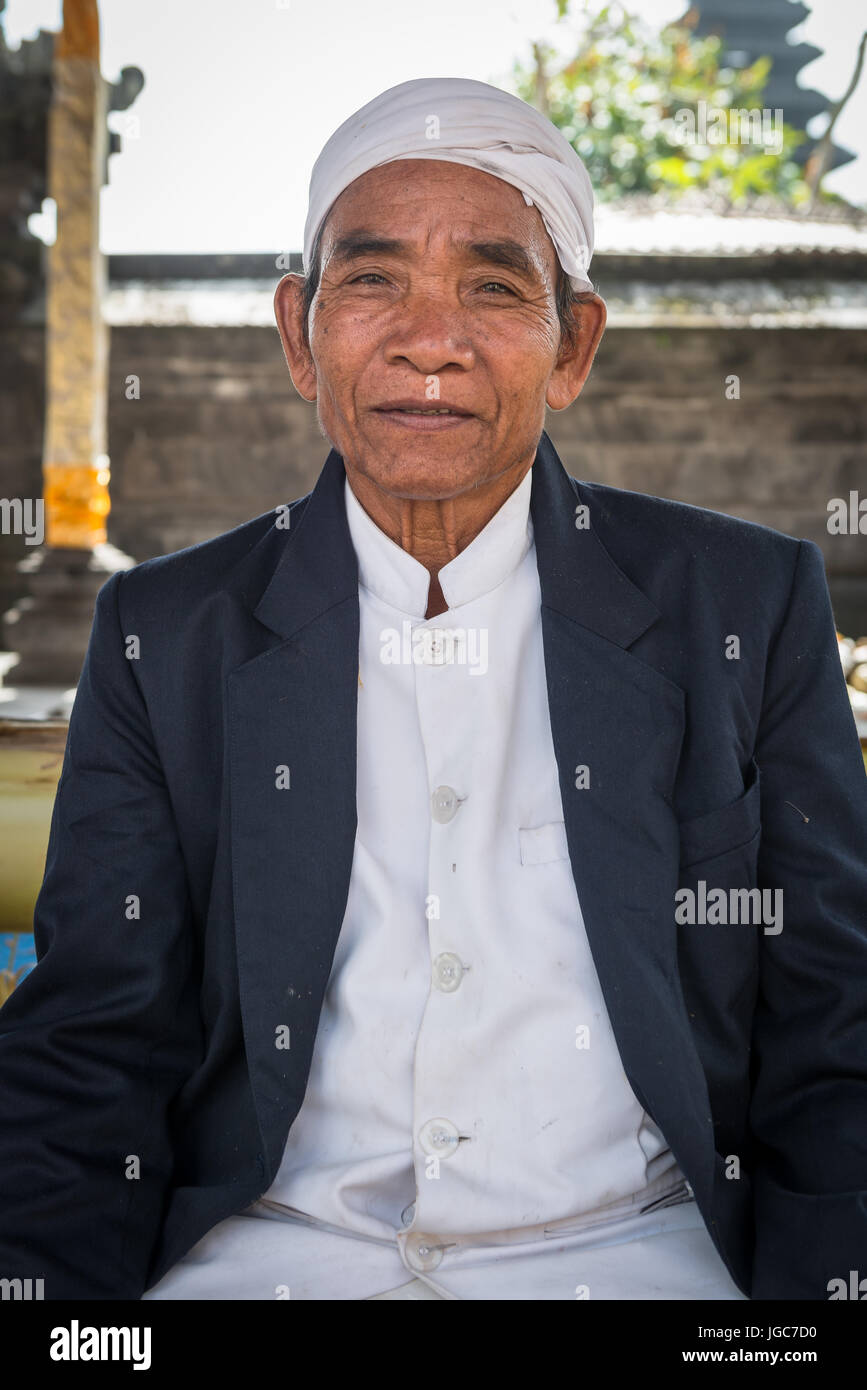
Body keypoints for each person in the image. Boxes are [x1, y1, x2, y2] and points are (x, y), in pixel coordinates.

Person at [1, 77, 865, 1302]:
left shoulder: (744, 604)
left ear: (573, 347)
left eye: (495, 286)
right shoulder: (167, 634)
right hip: (269, 1252)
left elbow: (837, 1031)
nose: (430, 337)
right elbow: (91, 1043)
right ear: (300, 334)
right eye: (372, 279)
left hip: (641, 1257)